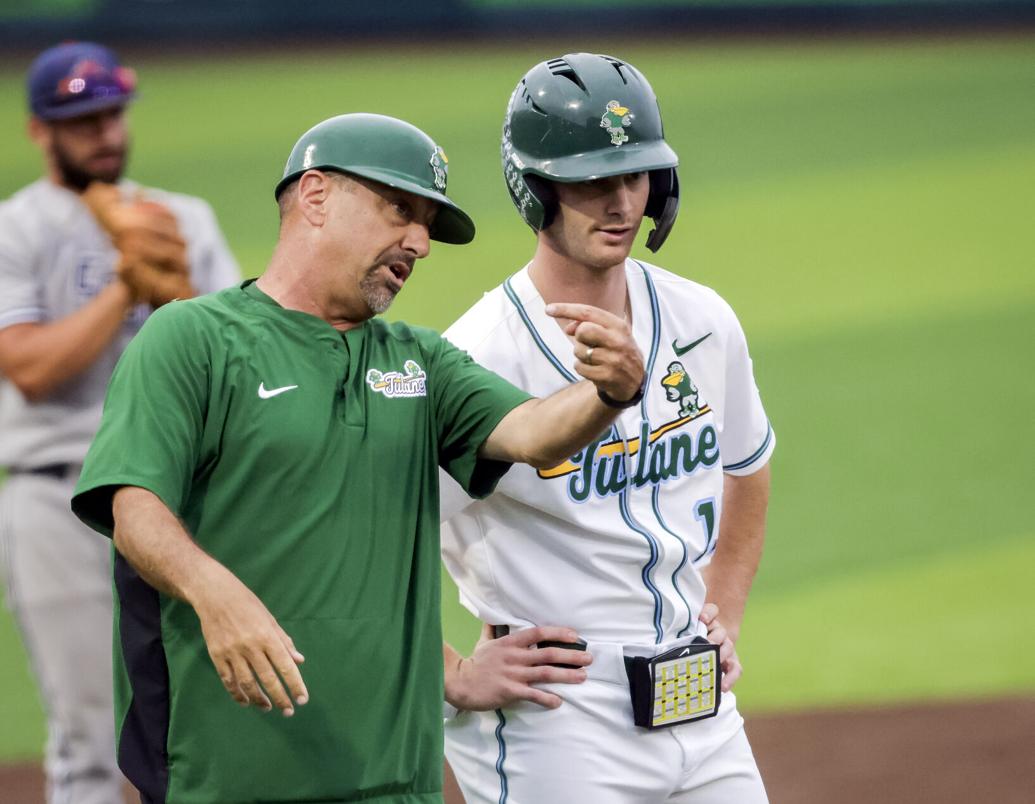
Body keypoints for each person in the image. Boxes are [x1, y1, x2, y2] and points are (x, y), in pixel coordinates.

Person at [70, 111, 649, 803]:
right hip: (229, 773)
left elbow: (533, 431)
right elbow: (133, 504)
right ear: (315, 196)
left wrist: (609, 393)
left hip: (394, 783)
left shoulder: (417, 360)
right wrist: (214, 593)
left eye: (427, 223)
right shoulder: (193, 339)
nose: (420, 242)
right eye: (399, 210)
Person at [439, 53, 775, 803]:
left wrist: (726, 609)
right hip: (560, 713)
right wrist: (453, 676)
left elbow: (747, 466)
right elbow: (373, 543)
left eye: (635, 175)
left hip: (700, 697)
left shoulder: (700, 319)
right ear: (535, 187)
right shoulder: (478, 355)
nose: (619, 202)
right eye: (590, 180)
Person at [0, 41, 239, 804]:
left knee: (211, 724)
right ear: (42, 130)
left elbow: (232, 360)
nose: (104, 132)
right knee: (93, 739)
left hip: (180, 502)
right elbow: (31, 369)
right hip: (58, 501)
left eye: (111, 114)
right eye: (82, 120)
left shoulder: (181, 218)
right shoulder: (16, 230)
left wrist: (170, 288)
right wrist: (120, 290)